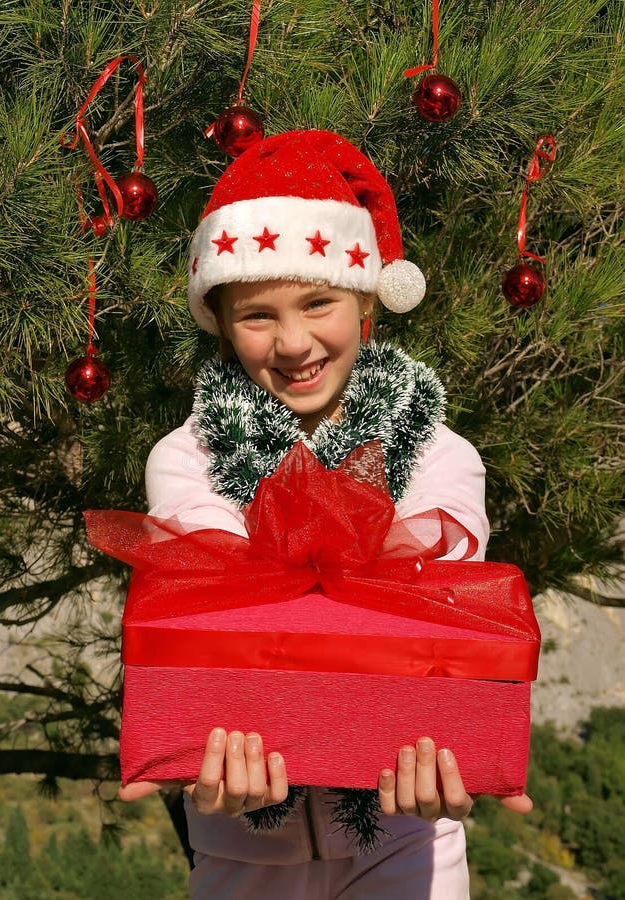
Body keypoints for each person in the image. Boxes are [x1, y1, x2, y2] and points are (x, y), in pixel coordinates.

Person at [121, 130, 531, 899]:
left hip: (406, 838)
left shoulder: (441, 455)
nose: (294, 342)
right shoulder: (188, 459)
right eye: (257, 316)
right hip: (241, 846)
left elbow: (437, 620)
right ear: (217, 318)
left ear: (369, 299)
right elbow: (215, 621)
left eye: (318, 303)